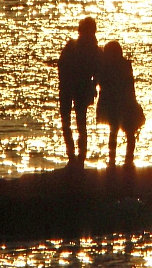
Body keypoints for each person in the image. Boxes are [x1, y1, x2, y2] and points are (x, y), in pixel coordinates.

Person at [58, 17, 101, 163]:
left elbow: (61, 66)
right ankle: (79, 157)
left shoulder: (72, 46)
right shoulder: (94, 49)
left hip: (69, 87)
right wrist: (93, 85)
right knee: (80, 123)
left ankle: (73, 156)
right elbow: (97, 73)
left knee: (67, 121)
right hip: (81, 88)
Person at [96, 40, 145, 165]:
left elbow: (101, 84)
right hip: (125, 101)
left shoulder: (105, 66)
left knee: (115, 131)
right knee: (128, 132)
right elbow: (130, 85)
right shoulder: (124, 65)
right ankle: (128, 160)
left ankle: (113, 160)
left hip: (113, 102)